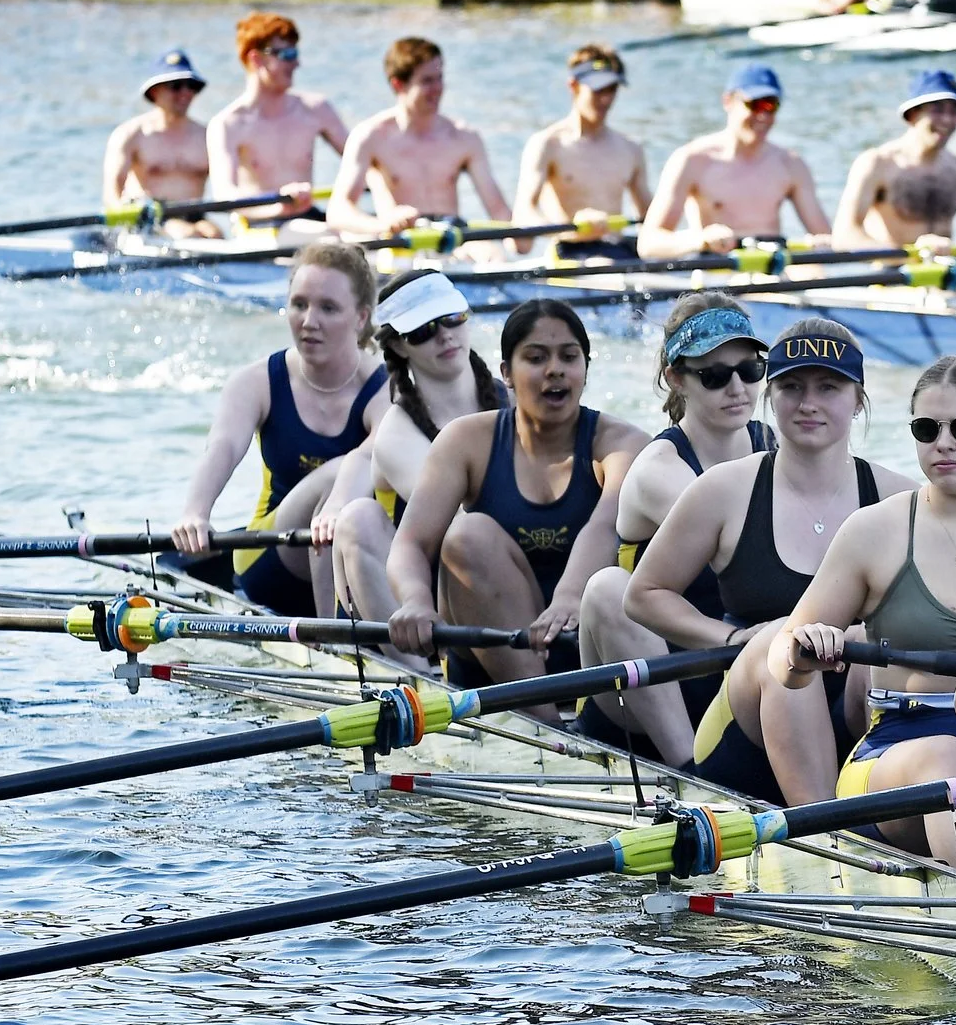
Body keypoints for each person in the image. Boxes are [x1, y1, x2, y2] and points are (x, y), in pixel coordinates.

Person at [769, 355, 956, 874]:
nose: (943, 442)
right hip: (899, 752)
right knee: (946, 758)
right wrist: (805, 652)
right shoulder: (875, 531)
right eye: (926, 428)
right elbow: (783, 664)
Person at [627, 317, 914, 796]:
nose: (808, 404)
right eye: (792, 387)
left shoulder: (899, 498)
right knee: (783, 647)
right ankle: (827, 832)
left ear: (858, 399)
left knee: (875, 637)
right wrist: (734, 636)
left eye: (829, 388)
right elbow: (643, 596)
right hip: (744, 727)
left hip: (854, 710)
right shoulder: (724, 490)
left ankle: (882, 810)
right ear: (771, 396)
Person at [383, 299, 650, 692]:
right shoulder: (465, 441)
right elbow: (410, 543)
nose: (554, 369)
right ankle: (547, 724)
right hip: (487, 654)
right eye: (536, 357)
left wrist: (569, 596)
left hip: (579, 642)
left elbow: (605, 524)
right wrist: (415, 600)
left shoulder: (621, 443)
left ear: (585, 369)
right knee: (466, 535)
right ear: (506, 373)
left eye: (569, 356)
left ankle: (552, 724)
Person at [574, 298, 778, 759]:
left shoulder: (776, 444)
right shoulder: (659, 468)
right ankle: (691, 770)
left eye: (749, 370)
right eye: (714, 375)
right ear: (677, 379)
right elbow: (750, 542)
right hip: (647, 686)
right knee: (607, 587)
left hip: (737, 667)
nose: (737, 388)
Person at [173, 242, 390, 615]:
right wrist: (196, 512)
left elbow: (373, 454)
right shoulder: (257, 382)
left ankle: (349, 631)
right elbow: (223, 447)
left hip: (355, 557)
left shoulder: (385, 388)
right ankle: (335, 636)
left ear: (360, 317)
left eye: (328, 308)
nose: (309, 321)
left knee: (352, 476)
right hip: (270, 559)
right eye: (299, 304)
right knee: (340, 469)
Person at [319, 269, 506, 632]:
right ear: (400, 346)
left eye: (452, 318)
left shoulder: (511, 398)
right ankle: (418, 671)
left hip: (495, 572)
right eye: (423, 330)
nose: (445, 335)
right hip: (418, 590)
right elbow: (461, 524)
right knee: (359, 516)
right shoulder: (396, 433)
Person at [325, 35, 512, 240]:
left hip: (450, 242)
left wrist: (519, 237)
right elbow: (338, 212)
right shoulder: (370, 137)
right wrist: (381, 224)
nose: (438, 88)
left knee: (490, 252)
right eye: (427, 81)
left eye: (440, 78)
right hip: (400, 244)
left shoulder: (466, 138)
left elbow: (498, 211)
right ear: (398, 85)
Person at [638, 63, 832, 257]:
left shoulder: (791, 164)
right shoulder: (691, 160)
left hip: (771, 271)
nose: (763, 116)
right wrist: (700, 239)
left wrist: (820, 248)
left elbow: (825, 238)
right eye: (755, 105)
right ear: (728, 102)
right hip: (716, 274)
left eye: (771, 105)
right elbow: (649, 243)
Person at [834, 70, 956, 256]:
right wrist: (912, 253)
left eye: (955, 112)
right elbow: (844, 236)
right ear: (912, 115)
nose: (947, 120)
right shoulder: (877, 163)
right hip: (894, 275)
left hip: (947, 271)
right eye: (938, 110)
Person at [207, 12, 348, 223]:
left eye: (296, 53)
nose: (297, 63)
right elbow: (224, 194)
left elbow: (369, 163)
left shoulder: (317, 109)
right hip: (260, 223)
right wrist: (277, 207)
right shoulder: (228, 124)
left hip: (308, 218)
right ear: (256, 59)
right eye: (287, 55)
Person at [514, 45, 652, 259]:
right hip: (568, 251)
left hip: (618, 250)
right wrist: (571, 229)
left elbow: (652, 219)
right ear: (574, 86)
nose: (606, 99)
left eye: (612, 89)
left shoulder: (631, 149)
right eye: (598, 90)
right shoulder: (547, 144)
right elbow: (524, 211)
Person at [103, 48, 218, 226]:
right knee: (183, 232)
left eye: (191, 86)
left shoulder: (209, 136)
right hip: (149, 219)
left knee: (215, 234)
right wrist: (123, 216)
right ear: (154, 91)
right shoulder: (131, 135)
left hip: (195, 217)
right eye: (176, 86)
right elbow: (112, 194)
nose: (185, 93)